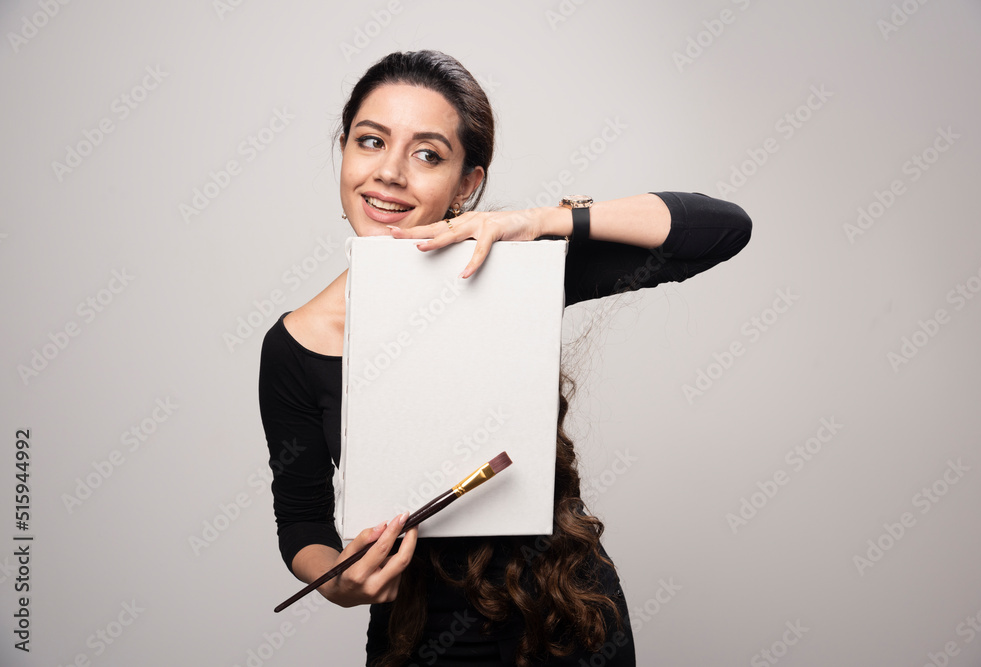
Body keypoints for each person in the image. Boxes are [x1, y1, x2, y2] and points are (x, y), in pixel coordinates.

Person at [258, 49, 752, 666]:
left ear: (467, 185)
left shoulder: (516, 271)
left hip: (567, 618)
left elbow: (723, 229)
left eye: (428, 154)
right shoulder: (295, 343)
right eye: (370, 140)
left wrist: (538, 223)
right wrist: (335, 579)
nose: (389, 172)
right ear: (344, 150)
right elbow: (301, 519)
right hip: (419, 637)